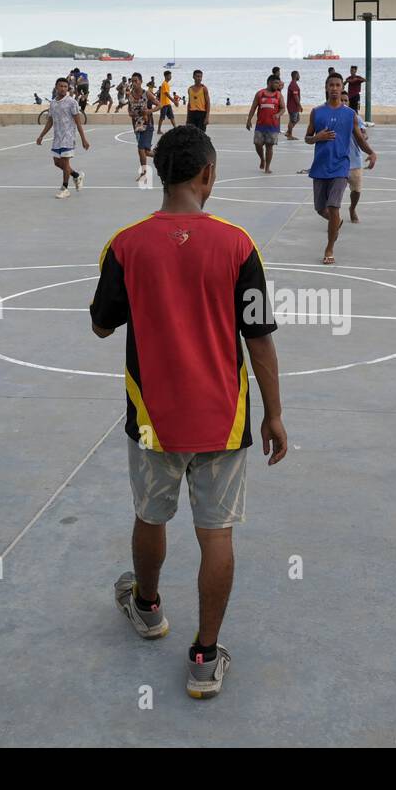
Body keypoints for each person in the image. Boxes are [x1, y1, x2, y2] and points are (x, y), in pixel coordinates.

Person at [91, 125, 288, 701]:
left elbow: (102, 325)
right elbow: (259, 338)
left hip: (152, 417)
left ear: (160, 174)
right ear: (208, 175)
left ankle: (148, 607)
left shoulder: (125, 245)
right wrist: (273, 415)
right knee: (216, 531)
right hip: (223, 417)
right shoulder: (239, 245)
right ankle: (204, 654)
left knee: (151, 515)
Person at [305, 72, 376, 264]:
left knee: (333, 206)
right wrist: (317, 138)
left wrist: (371, 152)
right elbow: (307, 138)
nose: (334, 88)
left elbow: (359, 138)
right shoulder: (317, 112)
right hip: (320, 167)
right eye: (331, 85)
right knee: (320, 209)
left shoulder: (349, 114)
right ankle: (336, 223)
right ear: (326, 88)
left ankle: (329, 248)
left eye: (337, 85)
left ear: (341, 88)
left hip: (340, 167)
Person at [35, 76, 89, 198]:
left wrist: (83, 139)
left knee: (65, 162)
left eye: (65, 86)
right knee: (57, 163)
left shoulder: (72, 102)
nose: (63, 88)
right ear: (56, 87)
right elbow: (50, 121)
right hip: (57, 138)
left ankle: (65, 188)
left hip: (68, 137)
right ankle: (76, 175)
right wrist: (41, 136)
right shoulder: (53, 103)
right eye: (61, 86)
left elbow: (78, 122)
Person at [246, 73, 285, 173]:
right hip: (260, 125)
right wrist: (249, 120)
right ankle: (262, 159)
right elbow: (253, 107)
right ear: (269, 83)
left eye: (278, 83)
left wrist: (278, 114)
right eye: (276, 83)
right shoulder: (260, 94)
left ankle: (267, 167)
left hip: (273, 126)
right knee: (257, 144)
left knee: (269, 146)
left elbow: (283, 108)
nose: (278, 85)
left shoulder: (279, 95)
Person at [126, 72, 155, 185]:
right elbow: (129, 109)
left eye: (136, 81)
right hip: (137, 126)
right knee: (146, 152)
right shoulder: (130, 95)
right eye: (132, 81)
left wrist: (149, 111)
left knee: (140, 149)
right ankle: (162, 156)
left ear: (141, 81)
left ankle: (144, 174)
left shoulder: (147, 94)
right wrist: (130, 113)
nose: (133, 83)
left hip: (148, 125)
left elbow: (159, 105)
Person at [285, 70, 302, 140]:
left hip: (294, 106)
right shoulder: (293, 85)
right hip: (292, 106)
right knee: (292, 120)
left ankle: (288, 132)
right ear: (295, 75)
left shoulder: (293, 84)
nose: (299, 76)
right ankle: (290, 135)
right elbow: (295, 96)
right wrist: (299, 105)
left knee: (297, 119)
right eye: (298, 75)